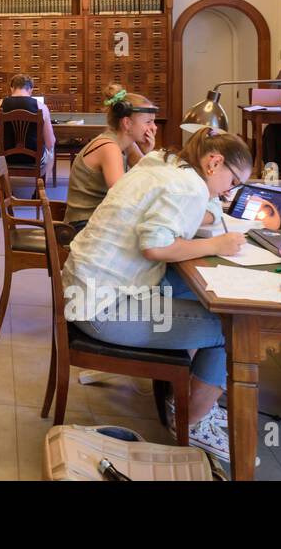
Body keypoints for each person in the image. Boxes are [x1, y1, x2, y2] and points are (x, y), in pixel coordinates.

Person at [62, 130, 253, 460]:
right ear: (214, 162)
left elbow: (201, 213)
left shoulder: (163, 163)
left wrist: (212, 210)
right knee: (232, 327)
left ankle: (187, 395)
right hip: (104, 310)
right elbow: (155, 247)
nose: (228, 191)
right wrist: (216, 244)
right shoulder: (187, 186)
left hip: (87, 290)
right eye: (232, 181)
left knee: (193, 288)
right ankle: (192, 421)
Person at [65, 85, 158, 232]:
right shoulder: (109, 148)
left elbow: (147, 177)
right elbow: (121, 196)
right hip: (84, 226)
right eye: (148, 122)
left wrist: (146, 153)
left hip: (99, 219)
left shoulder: (125, 143)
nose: (154, 128)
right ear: (127, 123)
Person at [0, 73, 56, 177]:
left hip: (6, 157)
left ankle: (5, 186)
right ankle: (40, 187)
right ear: (30, 89)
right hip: (34, 157)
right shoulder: (41, 107)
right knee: (52, 148)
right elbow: (50, 142)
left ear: (12, 88)